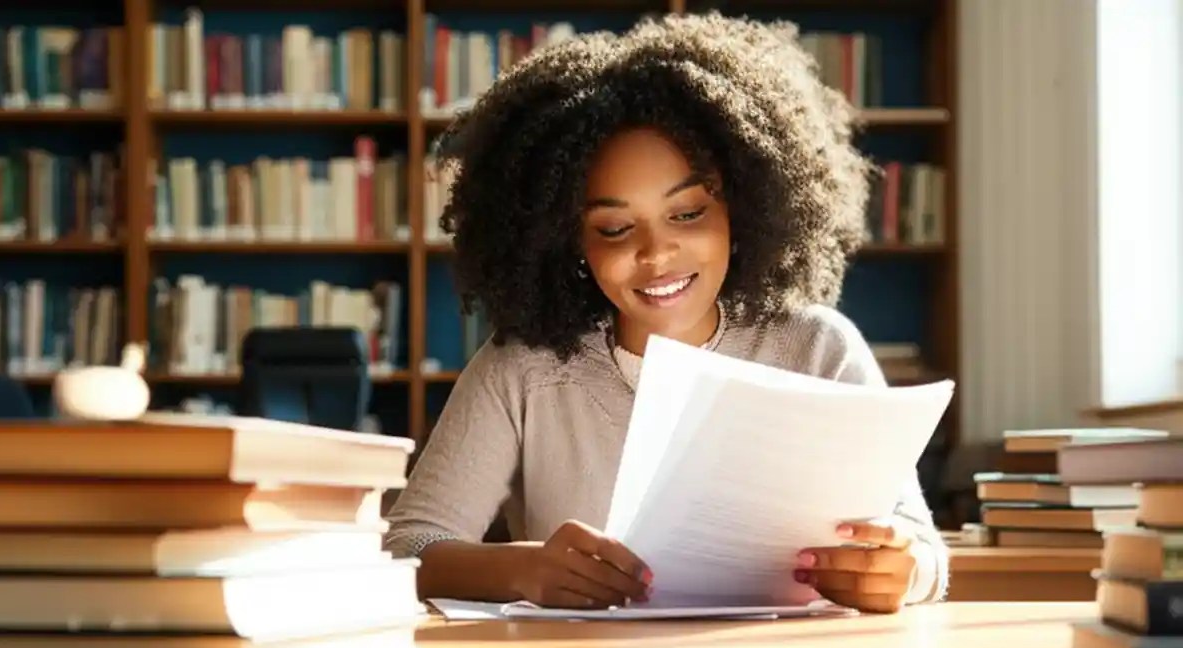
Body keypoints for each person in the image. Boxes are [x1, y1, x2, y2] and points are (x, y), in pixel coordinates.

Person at [385, 12, 948, 614]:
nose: (655, 254)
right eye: (614, 228)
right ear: (568, 242)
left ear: (742, 210)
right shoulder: (523, 369)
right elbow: (407, 548)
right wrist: (520, 568)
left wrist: (907, 571)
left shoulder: (816, 349)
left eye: (687, 214)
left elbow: (919, 546)